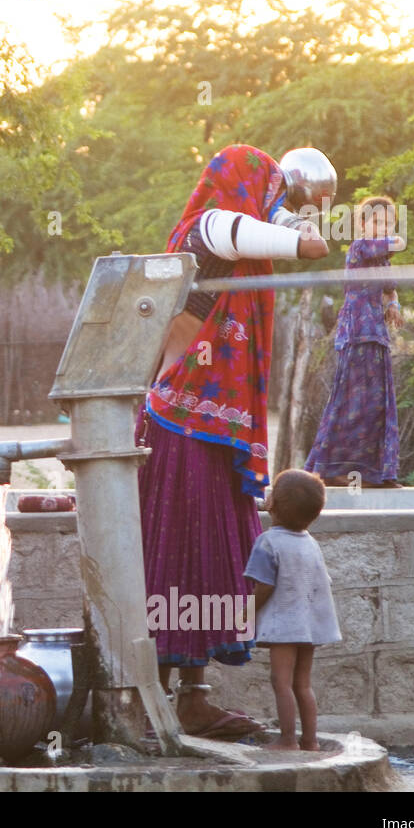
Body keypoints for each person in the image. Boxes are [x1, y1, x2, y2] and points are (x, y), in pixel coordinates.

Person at [137, 144, 329, 739]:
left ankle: (192, 698)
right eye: (273, 188)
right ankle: (156, 700)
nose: (278, 200)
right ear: (247, 182)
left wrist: (298, 209)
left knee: (210, 559)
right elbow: (301, 243)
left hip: (214, 427)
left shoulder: (237, 248)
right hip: (182, 425)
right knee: (174, 556)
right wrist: (302, 220)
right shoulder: (209, 228)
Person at [305, 196, 406, 487]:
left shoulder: (381, 257)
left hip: (377, 335)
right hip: (356, 334)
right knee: (351, 402)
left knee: (377, 404)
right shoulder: (360, 247)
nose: (382, 228)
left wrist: (393, 306)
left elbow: (391, 290)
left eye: (388, 223)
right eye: (376, 222)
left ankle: (376, 472)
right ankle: (328, 468)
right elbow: (396, 243)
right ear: (362, 225)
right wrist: (395, 238)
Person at [244, 469, 340, 751]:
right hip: (309, 626)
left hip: (285, 626)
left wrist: (245, 613)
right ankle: (310, 740)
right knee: (302, 684)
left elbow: (263, 587)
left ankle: (287, 739)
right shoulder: (310, 543)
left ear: (272, 504)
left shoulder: (268, 542)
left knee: (280, 681)